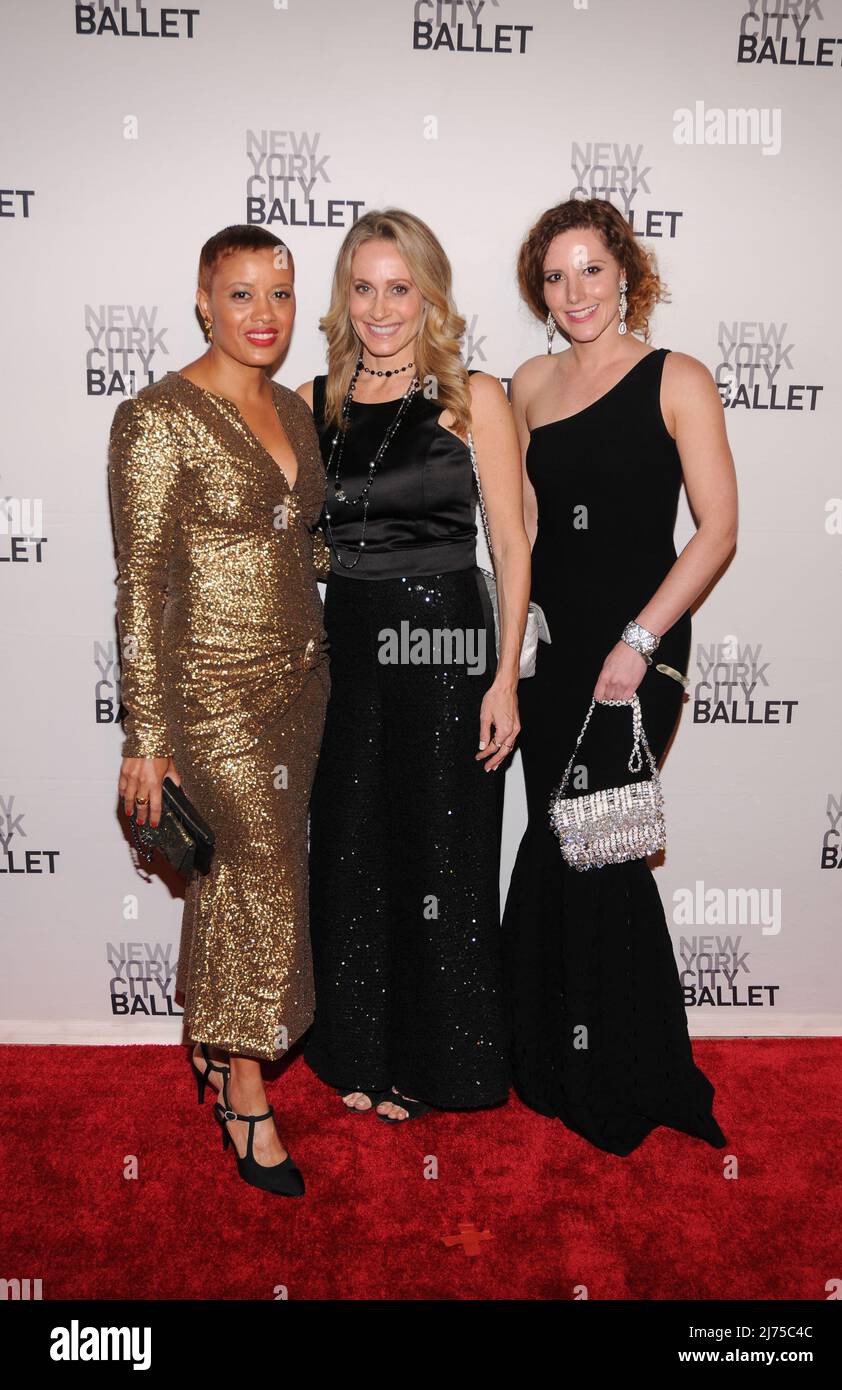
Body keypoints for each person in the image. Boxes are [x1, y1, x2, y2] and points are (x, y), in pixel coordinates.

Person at [500, 197, 736, 1155]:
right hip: (555, 653)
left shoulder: (677, 377)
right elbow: (517, 529)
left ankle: (622, 1072)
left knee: (598, 845)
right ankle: (553, 1056)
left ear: (624, 273)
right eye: (554, 277)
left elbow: (716, 531)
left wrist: (638, 639)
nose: (573, 291)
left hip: (642, 645)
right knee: (565, 848)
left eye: (589, 269)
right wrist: (516, 638)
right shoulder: (525, 385)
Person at [108, 224, 331, 1195]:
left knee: (240, 878)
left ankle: (209, 1039)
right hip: (210, 690)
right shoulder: (156, 418)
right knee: (261, 871)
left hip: (300, 683)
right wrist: (146, 736)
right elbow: (139, 582)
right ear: (203, 300)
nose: (263, 314)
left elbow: (306, 547)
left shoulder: (293, 406)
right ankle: (246, 1090)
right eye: (240, 295)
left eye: (279, 294)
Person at [296, 208, 530, 1122]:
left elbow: (511, 546)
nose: (381, 307)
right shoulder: (318, 402)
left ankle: (444, 1065)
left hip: (446, 640)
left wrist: (504, 677)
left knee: (442, 854)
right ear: (343, 295)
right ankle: (360, 1047)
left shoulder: (472, 395)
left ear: (429, 294)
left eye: (400, 287)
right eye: (364, 287)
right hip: (350, 643)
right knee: (353, 846)